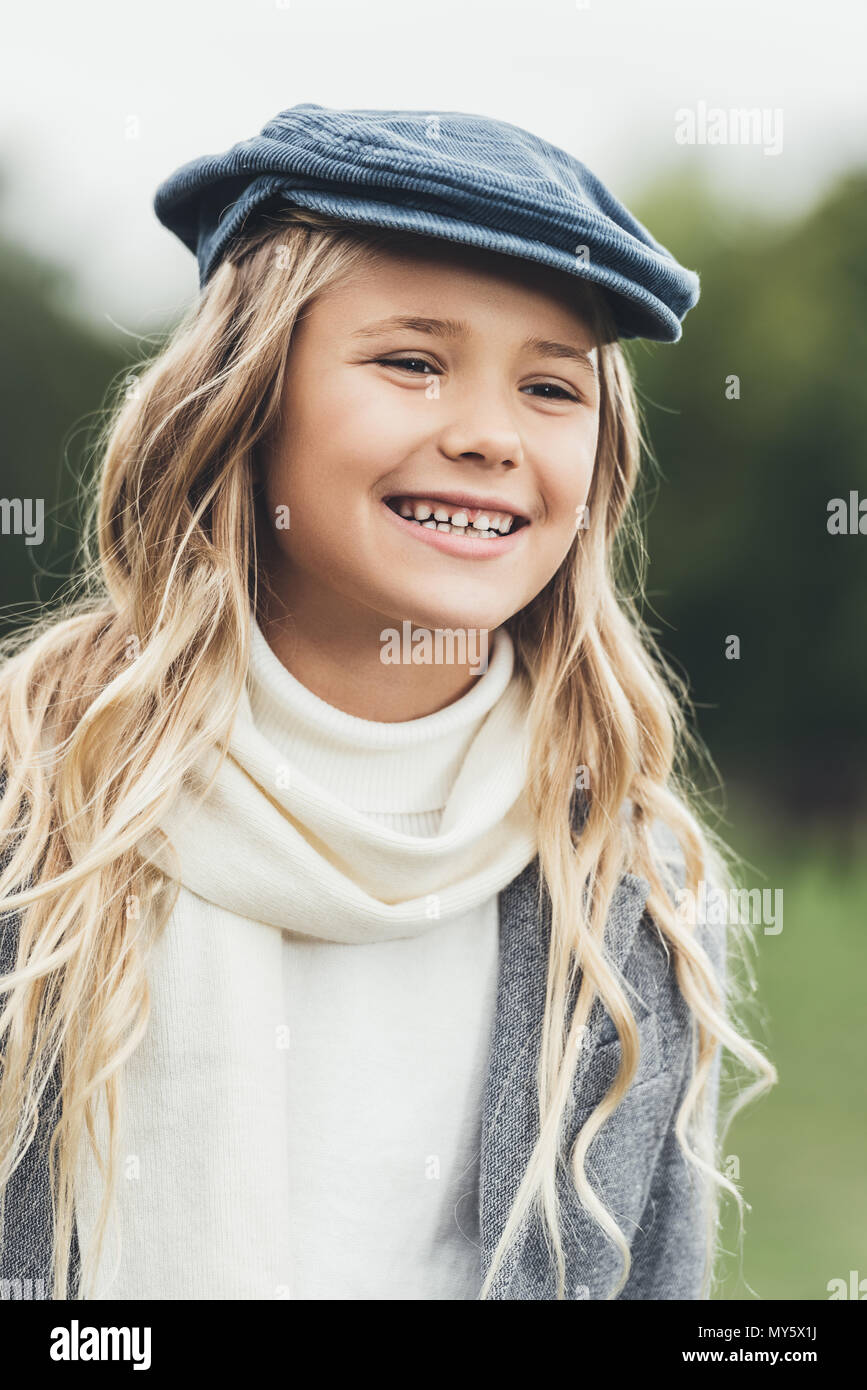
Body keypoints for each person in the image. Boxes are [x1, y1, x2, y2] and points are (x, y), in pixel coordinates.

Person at [0, 103, 775, 1302]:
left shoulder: (630, 886)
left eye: (551, 387)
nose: (489, 436)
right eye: (413, 362)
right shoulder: (39, 798)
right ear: (245, 398)